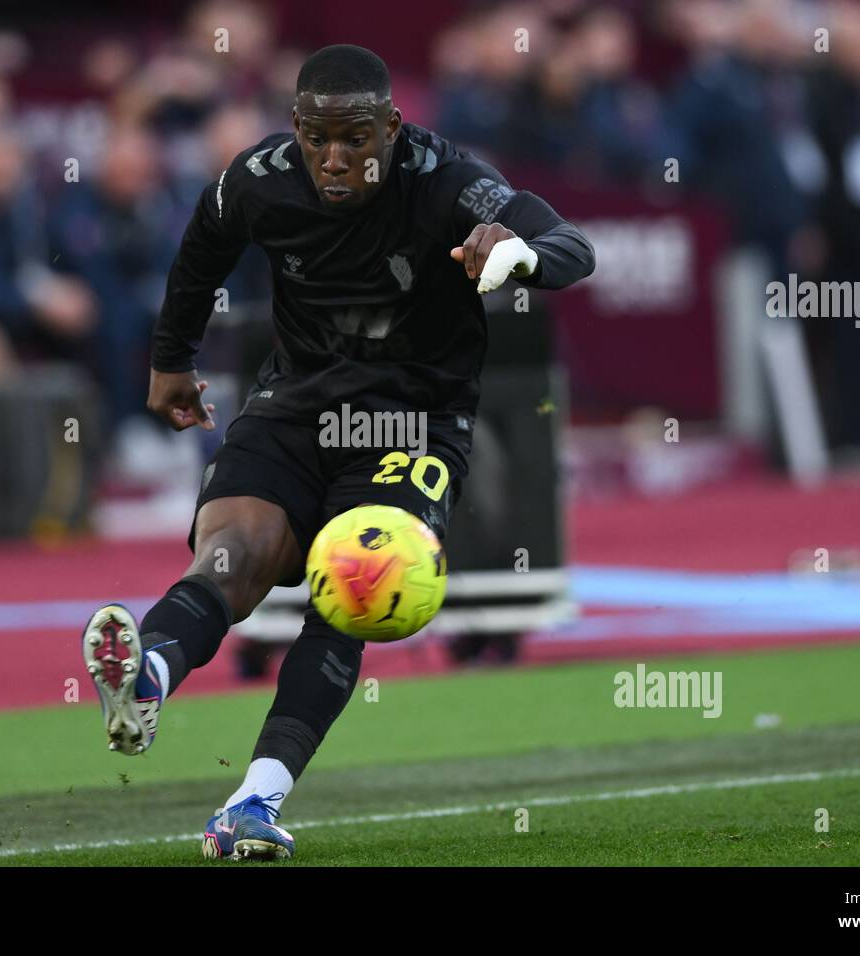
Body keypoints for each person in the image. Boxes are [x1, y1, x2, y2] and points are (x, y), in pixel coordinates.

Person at [79, 44, 594, 860]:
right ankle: (150, 674)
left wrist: (517, 254)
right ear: (295, 128)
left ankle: (253, 801)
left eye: (355, 137)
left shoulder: (448, 182)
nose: (334, 157)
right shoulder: (260, 177)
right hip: (297, 405)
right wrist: (172, 360)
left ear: (391, 127)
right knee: (233, 552)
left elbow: (574, 247)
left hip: (414, 423)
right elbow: (204, 245)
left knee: (354, 587)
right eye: (318, 137)